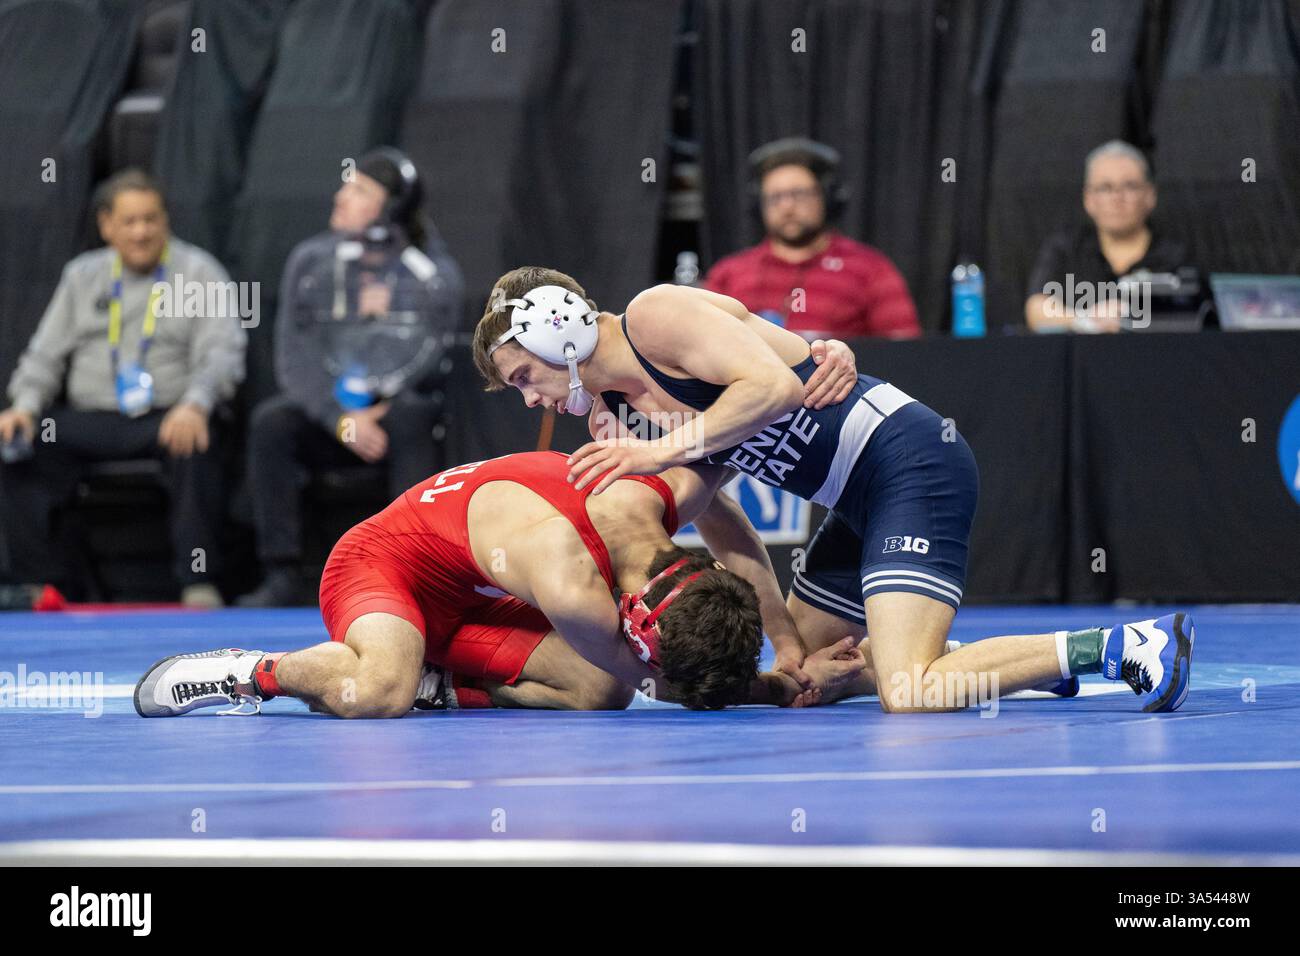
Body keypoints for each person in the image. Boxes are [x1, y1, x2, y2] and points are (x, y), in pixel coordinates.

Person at [472, 268, 1195, 713]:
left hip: (906, 463)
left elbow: (775, 384)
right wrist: (782, 639)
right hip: (853, 503)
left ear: (555, 330)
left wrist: (659, 449)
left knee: (910, 692)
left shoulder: (657, 317)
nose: (531, 399)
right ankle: (1014, 668)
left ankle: (1121, 644)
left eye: (522, 377)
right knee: (811, 680)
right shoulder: (623, 415)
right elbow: (724, 524)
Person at [134, 451, 864, 717]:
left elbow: (728, 512)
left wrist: (785, 640)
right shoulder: (574, 586)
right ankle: (249, 673)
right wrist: (782, 687)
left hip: (475, 589)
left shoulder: (653, 496)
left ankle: (439, 681)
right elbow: (669, 685)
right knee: (379, 692)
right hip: (384, 565)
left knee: (596, 692)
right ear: (640, 619)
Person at [0, 169, 245, 607]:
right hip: (93, 418)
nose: (141, 231)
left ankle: (197, 581)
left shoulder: (199, 271)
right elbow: (45, 354)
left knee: (196, 441)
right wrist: (23, 406)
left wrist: (196, 403)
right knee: (23, 441)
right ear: (106, 226)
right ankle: (43, 586)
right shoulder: (82, 275)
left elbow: (223, 354)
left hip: (166, 416)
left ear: (165, 221)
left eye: (151, 219)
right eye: (129, 221)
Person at [239, 147, 465, 606]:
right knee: (272, 422)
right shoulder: (310, 261)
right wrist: (340, 417)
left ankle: (413, 571)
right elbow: (294, 361)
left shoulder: (430, 271)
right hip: (335, 417)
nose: (342, 196)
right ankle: (282, 572)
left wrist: (385, 397)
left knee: (415, 415)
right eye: (347, 185)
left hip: (394, 414)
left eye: (360, 190)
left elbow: (431, 353)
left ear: (391, 209)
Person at [703, 137, 920, 340]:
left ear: (827, 198)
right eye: (775, 197)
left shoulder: (870, 269)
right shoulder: (729, 274)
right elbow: (702, 346)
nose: (787, 206)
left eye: (799, 194)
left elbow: (902, 350)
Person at [1025, 140, 1197, 332]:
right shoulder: (1067, 249)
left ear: (1150, 195)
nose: (1117, 198)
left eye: (1130, 186)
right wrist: (1086, 320)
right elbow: (1037, 310)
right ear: (1088, 199)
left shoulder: (1175, 256)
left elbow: (1196, 318)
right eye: (1105, 188)